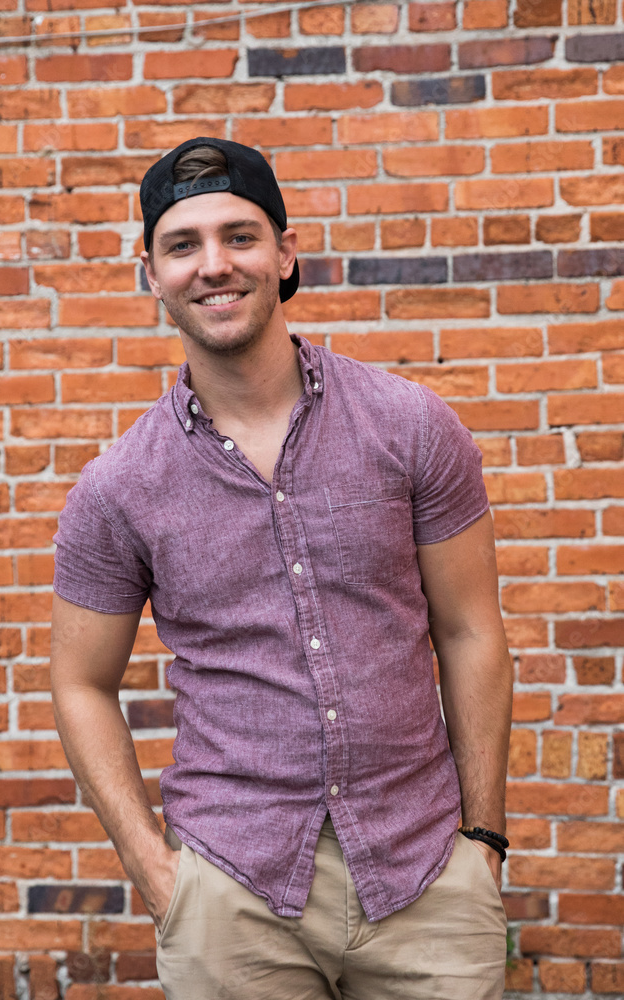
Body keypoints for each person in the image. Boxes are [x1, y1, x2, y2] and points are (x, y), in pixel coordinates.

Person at [51, 136, 513, 1000]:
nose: (213, 265)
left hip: (425, 877)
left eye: (240, 235)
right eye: (182, 245)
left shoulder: (409, 427)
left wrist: (482, 840)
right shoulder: (117, 489)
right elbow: (80, 683)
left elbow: (469, 629)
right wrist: (160, 875)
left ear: (285, 253)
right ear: (150, 272)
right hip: (232, 894)